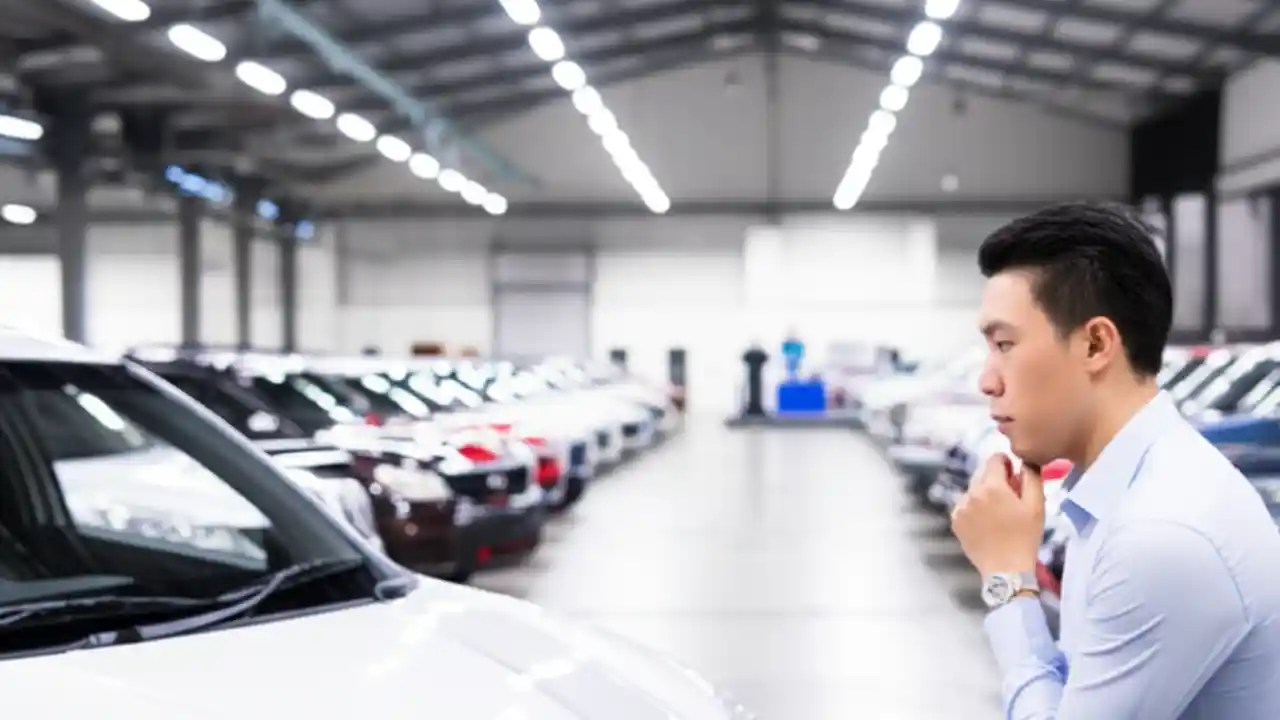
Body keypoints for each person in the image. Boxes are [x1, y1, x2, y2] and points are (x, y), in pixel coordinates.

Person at [950, 203, 1280, 718]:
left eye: (1005, 344)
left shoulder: (1161, 533)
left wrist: (1007, 579)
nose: (987, 380)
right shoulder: (1124, 491)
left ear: (1096, 343)